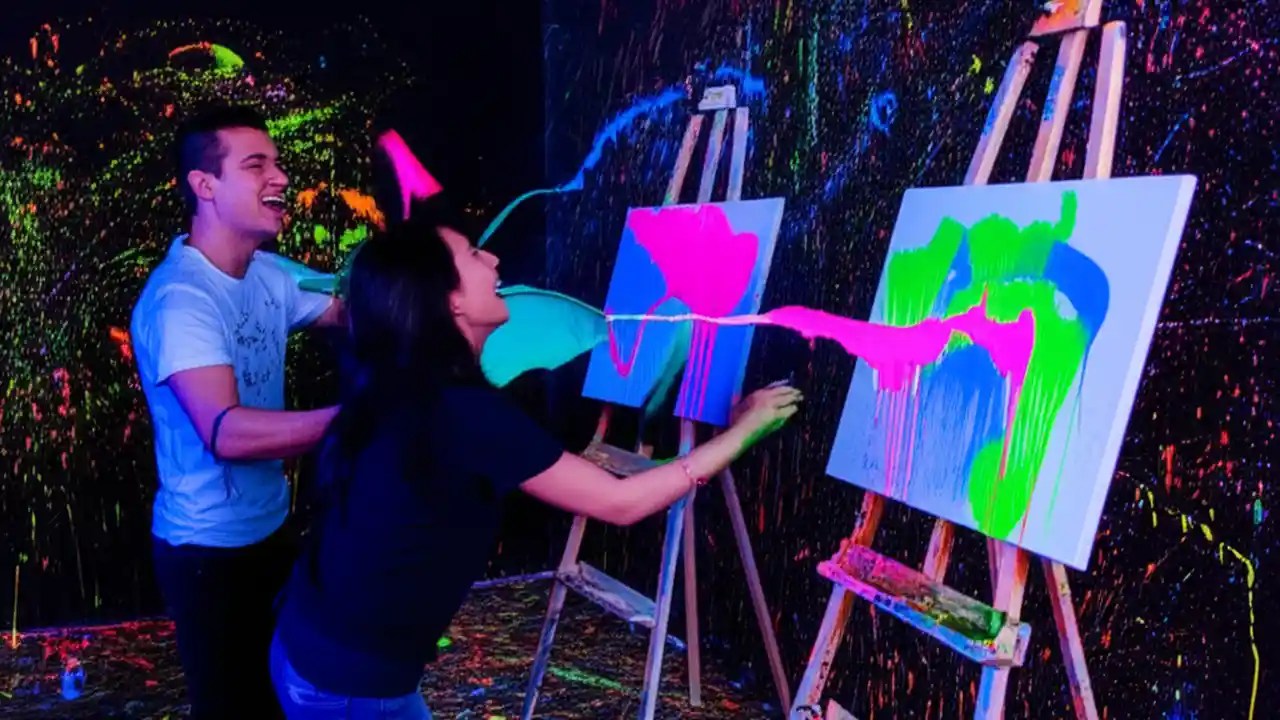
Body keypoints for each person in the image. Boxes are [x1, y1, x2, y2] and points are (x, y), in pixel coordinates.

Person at [268, 197, 802, 719]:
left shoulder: (408, 384)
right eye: (475, 255)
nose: (494, 261)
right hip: (350, 682)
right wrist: (744, 431)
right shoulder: (462, 412)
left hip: (313, 645)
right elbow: (619, 503)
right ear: (447, 300)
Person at [129, 104, 346, 719]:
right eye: (257, 165)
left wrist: (432, 289)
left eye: (276, 163)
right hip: (207, 555)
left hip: (270, 532)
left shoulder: (268, 275)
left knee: (282, 695)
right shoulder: (180, 299)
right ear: (205, 185)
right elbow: (225, 431)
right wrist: (359, 417)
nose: (279, 178)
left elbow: (358, 308)